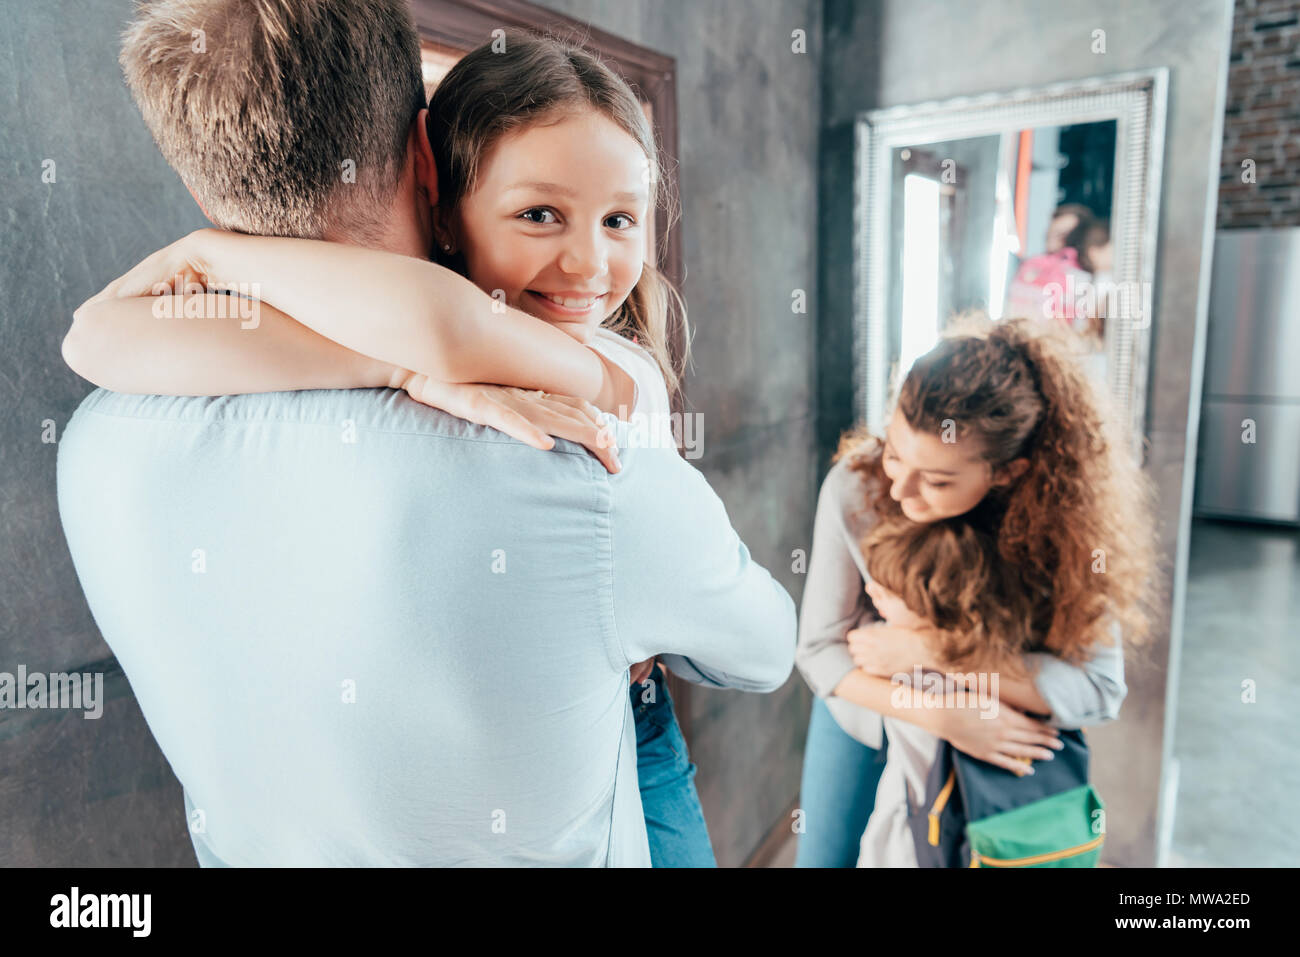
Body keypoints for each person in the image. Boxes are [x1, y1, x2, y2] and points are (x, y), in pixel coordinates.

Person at [58, 1, 794, 866]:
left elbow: (92, 333)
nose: (589, 264)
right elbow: (762, 649)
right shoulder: (575, 462)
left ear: (197, 185)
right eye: (538, 213)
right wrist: (408, 370)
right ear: (429, 165)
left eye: (620, 219)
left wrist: (213, 255)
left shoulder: (96, 438)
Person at [794, 315, 1157, 867]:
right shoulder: (857, 484)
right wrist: (942, 716)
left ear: (1009, 472)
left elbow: (1099, 689)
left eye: (937, 481)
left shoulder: (1069, 526)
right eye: (894, 452)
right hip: (867, 704)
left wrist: (934, 653)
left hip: (998, 731)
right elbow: (820, 651)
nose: (899, 488)